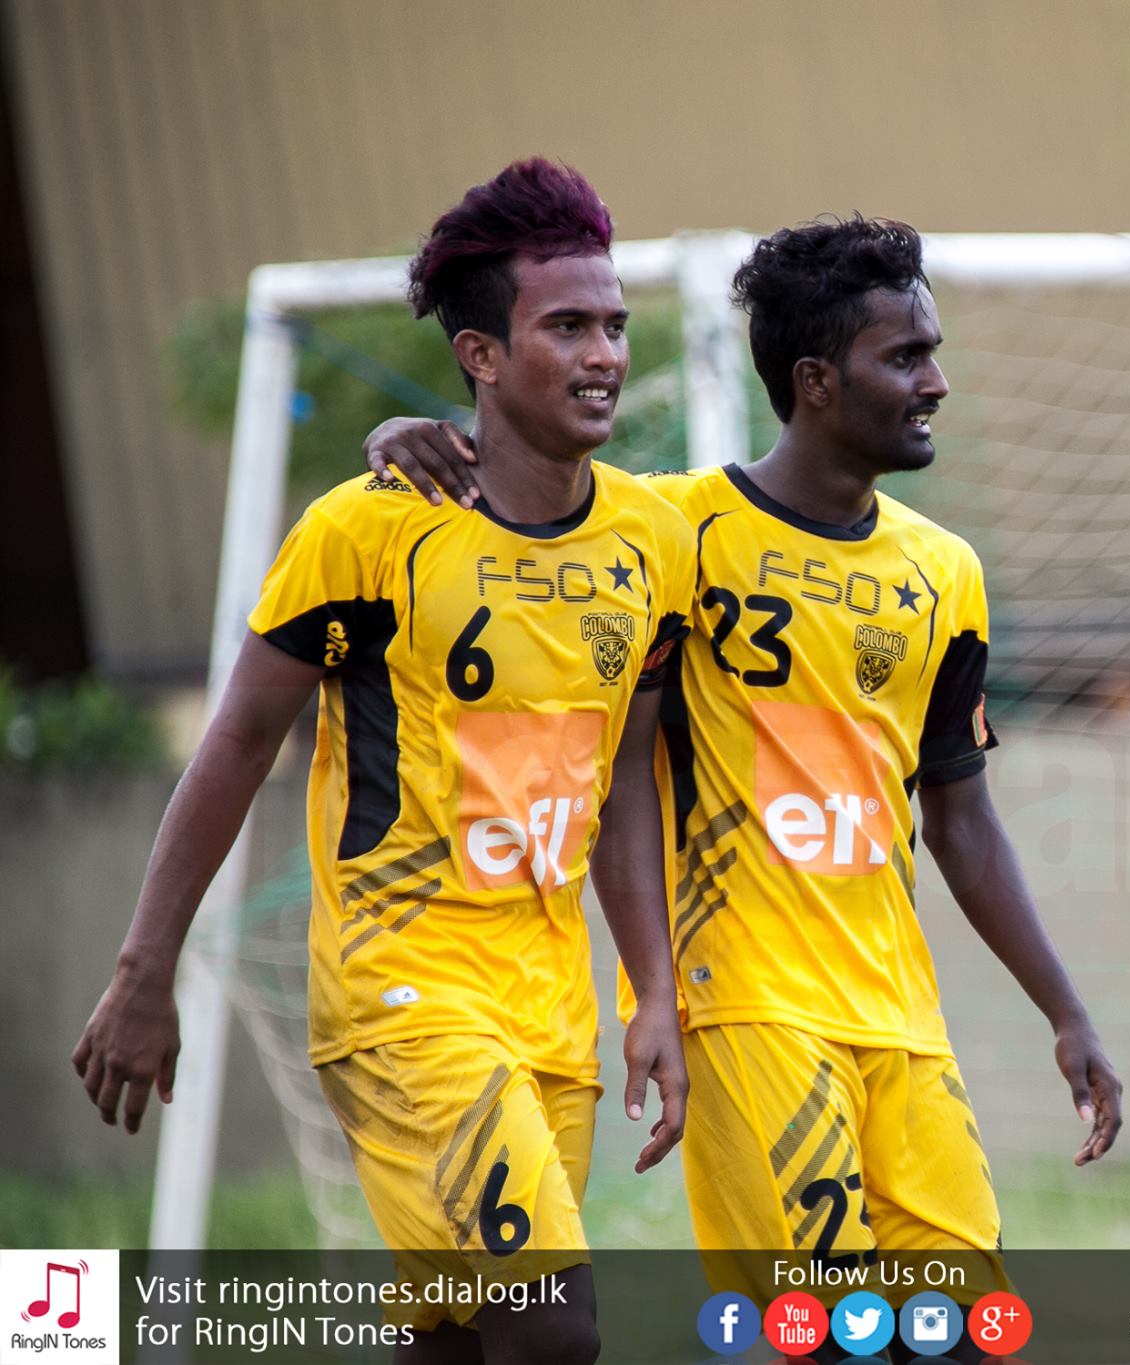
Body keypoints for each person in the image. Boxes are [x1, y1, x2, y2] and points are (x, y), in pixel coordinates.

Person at [368, 215, 1122, 1313]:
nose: (937, 382)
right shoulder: (675, 530)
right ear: (816, 381)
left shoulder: (944, 573)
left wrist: (1066, 1011)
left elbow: (960, 816)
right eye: (906, 357)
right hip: (743, 1009)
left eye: (933, 353)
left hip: (899, 1023)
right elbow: (531, 495)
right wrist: (414, 436)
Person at [75, 158, 692, 1365]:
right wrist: (146, 970)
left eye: (613, 325)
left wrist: (651, 992)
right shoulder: (365, 531)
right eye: (565, 326)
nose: (603, 353)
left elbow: (623, 780)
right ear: (480, 354)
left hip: (550, 1006)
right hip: (402, 1001)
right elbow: (240, 739)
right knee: (552, 1331)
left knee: (462, 1339)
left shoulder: (652, 537)